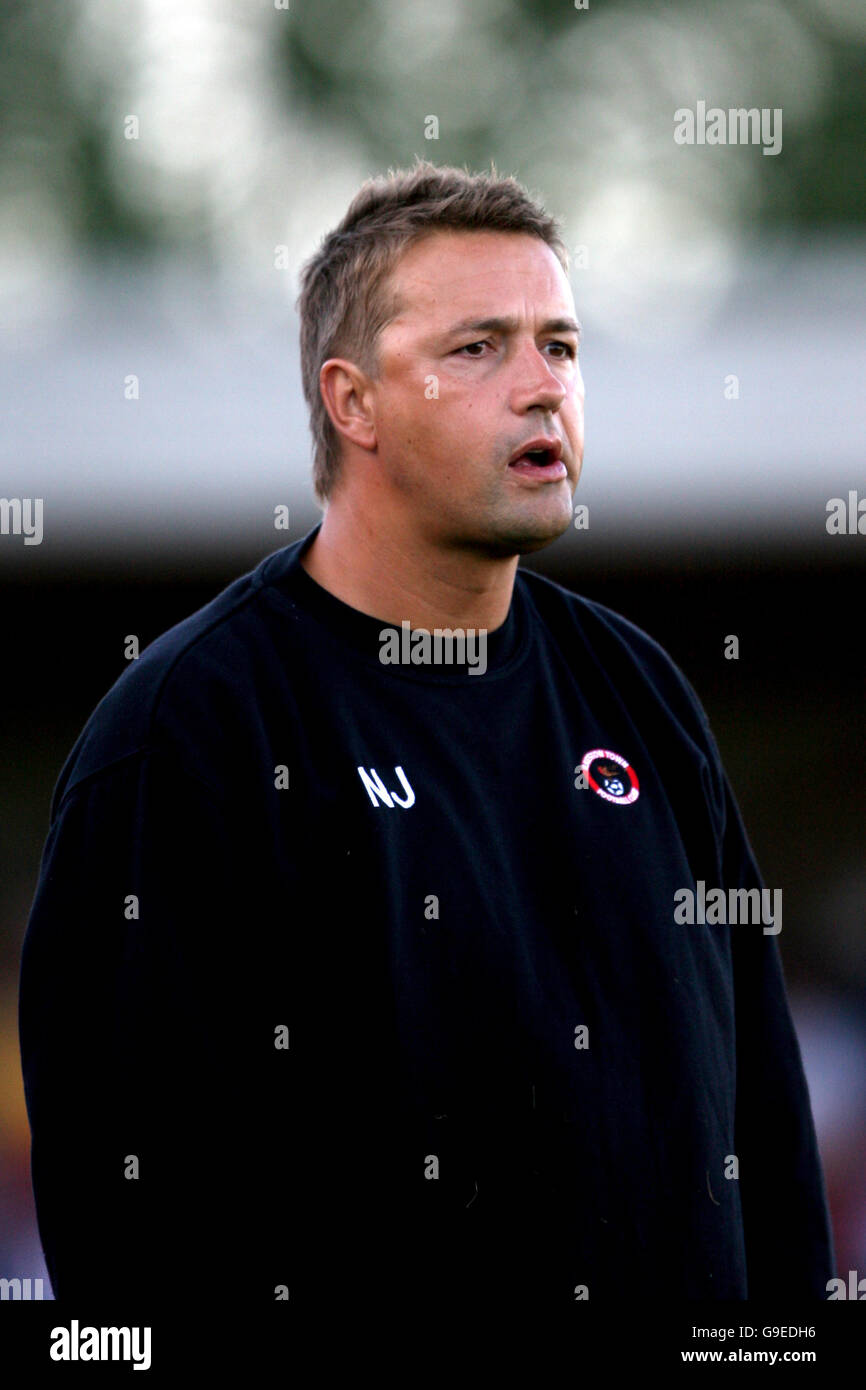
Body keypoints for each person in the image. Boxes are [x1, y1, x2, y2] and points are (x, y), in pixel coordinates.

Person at [19, 160, 834, 1317]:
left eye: (559, 345)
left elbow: (762, 1129)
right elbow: (129, 1235)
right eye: (476, 348)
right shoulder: (191, 731)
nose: (540, 386)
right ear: (351, 402)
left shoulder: (640, 697)